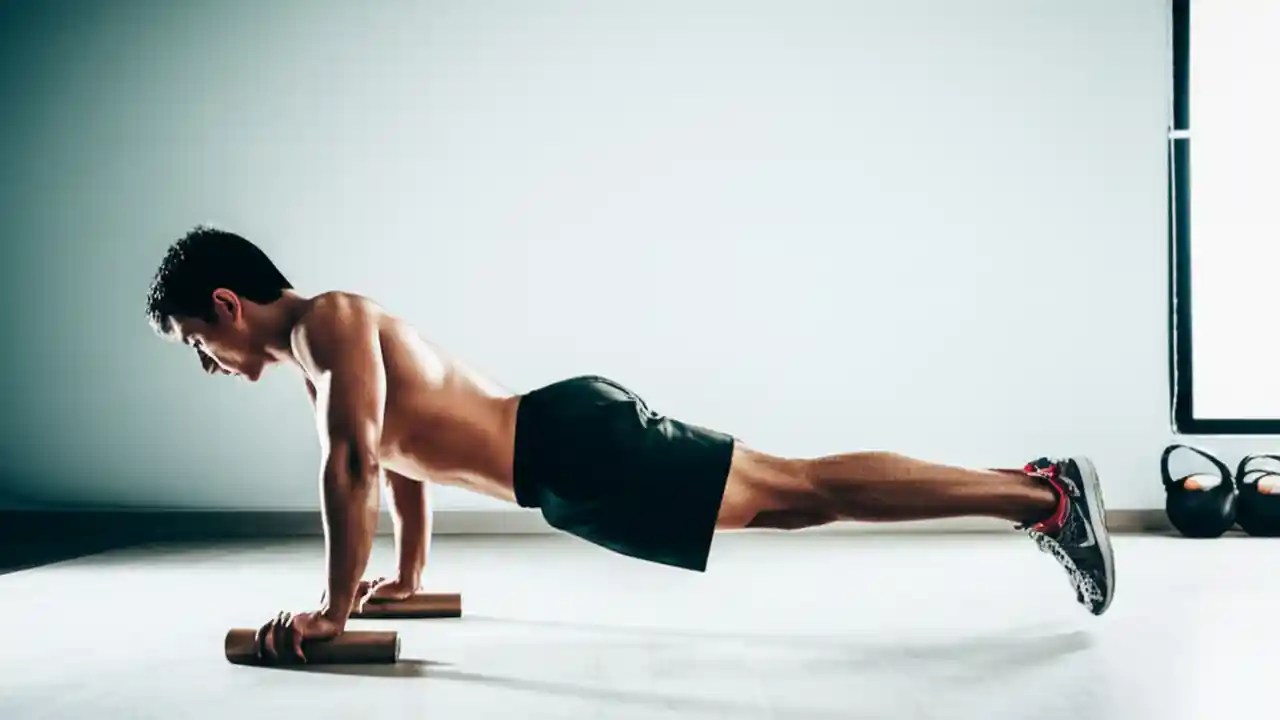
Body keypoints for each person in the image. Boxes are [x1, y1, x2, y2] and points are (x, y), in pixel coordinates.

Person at [145, 226, 1115, 663]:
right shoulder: (323, 354)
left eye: (199, 342)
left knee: (801, 492)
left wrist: (328, 609)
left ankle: (1041, 495)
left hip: (573, 448)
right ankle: (1033, 492)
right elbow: (398, 466)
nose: (208, 362)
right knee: (793, 499)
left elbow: (353, 465)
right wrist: (400, 579)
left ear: (226, 306)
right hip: (567, 465)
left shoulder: (328, 325)